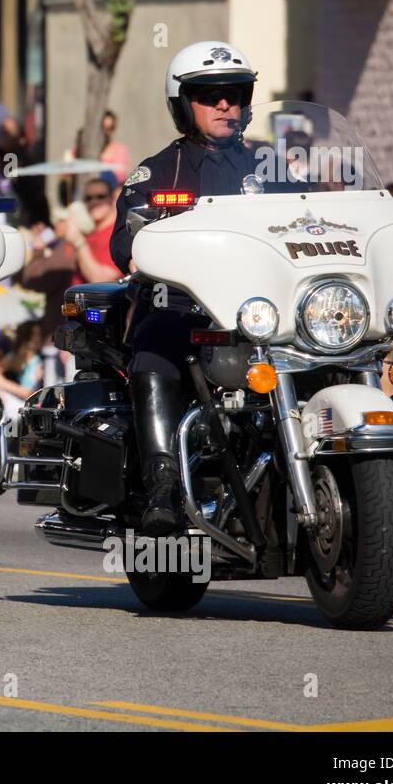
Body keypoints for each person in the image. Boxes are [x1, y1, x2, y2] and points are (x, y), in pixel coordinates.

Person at [111, 39, 263, 535]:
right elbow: (127, 240)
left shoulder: (276, 170)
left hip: (265, 315)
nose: (226, 104)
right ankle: (161, 483)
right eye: (209, 94)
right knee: (154, 351)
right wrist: (143, 238)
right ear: (182, 104)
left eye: (236, 94)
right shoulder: (158, 171)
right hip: (183, 312)